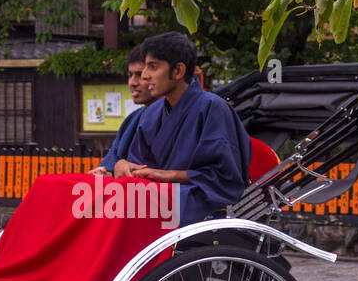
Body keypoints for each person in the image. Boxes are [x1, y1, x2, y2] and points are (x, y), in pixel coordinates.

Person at [114, 32, 251, 226]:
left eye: (153, 67)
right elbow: (139, 167)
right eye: (145, 67)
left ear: (178, 71)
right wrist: (123, 166)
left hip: (199, 200)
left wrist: (168, 175)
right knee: (97, 195)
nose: (145, 75)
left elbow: (224, 178)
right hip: (158, 195)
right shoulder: (152, 114)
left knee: (130, 207)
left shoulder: (212, 108)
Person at [91, 44, 149, 176]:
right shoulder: (132, 119)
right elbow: (112, 158)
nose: (132, 83)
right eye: (130, 75)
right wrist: (104, 171)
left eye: (140, 75)